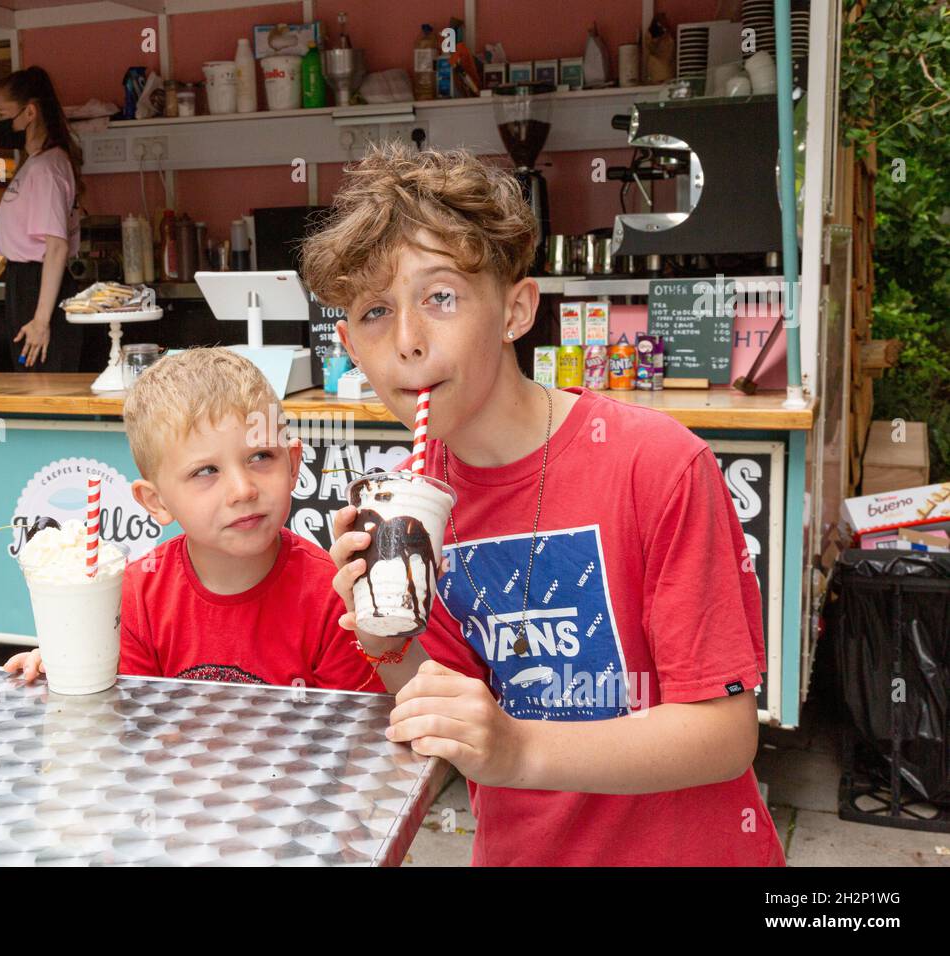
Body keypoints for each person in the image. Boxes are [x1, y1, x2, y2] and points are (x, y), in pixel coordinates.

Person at [302, 143, 786, 867]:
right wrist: (385, 638)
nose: (406, 341)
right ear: (347, 346)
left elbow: (723, 736)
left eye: (440, 297)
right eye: (375, 312)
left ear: (516, 310)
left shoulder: (655, 466)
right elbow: (460, 715)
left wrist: (521, 748)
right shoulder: (415, 498)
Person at [5, 348, 384, 691]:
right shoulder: (134, 598)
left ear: (293, 464)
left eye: (260, 457)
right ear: (156, 502)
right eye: (205, 471)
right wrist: (70, 675)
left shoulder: (337, 596)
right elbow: (131, 728)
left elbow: (350, 740)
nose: (242, 490)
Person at [0, 66, 93, 372]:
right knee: (30, 383)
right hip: (24, 283)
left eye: (2, 114)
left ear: (30, 112)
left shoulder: (48, 167)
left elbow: (56, 246)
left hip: (38, 284)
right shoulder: (35, 163)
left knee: (43, 384)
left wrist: (41, 320)